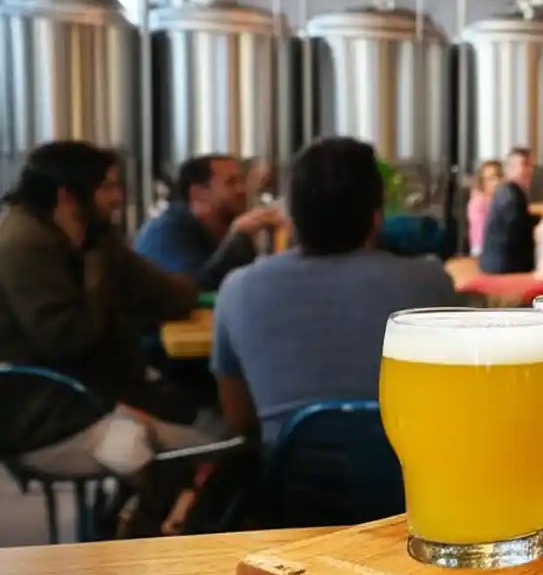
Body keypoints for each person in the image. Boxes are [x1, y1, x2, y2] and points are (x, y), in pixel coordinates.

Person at [212, 137, 459, 443]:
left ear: (291, 215)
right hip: (409, 482)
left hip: (291, 485)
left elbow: (239, 421)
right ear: (377, 215)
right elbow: (455, 398)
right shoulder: (430, 281)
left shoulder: (238, 290)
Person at [0, 141, 215, 476]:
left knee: (210, 421)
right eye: (107, 188)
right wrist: (97, 265)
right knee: (222, 458)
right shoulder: (25, 244)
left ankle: (133, 516)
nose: (118, 198)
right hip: (55, 416)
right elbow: (67, 339)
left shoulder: (92, 237)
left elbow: (165, 291)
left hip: (104, 396)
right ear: (67, 195)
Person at [134, 156, 286, 291]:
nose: (243, 189)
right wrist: (239, 237)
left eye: (242, 181)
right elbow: (194, 288)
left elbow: (245, 284)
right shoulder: (167, 230)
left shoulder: (219, 230)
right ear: (199, 193)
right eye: (231, 183)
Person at [479, 147, 536, 274]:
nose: (528, 170)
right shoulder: (512, 195)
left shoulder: (506, 192)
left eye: (530, 165)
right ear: (509, 168)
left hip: (497, 264)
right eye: (523, 165)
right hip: (504, 267)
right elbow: (517, 234)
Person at [467, 159, 504, 257]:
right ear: (482, 182)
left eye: (499, 176)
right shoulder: (478, 203)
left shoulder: (504, 199)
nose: (496, 182)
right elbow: (483, 231)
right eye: (491, 179)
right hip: (484, 251)